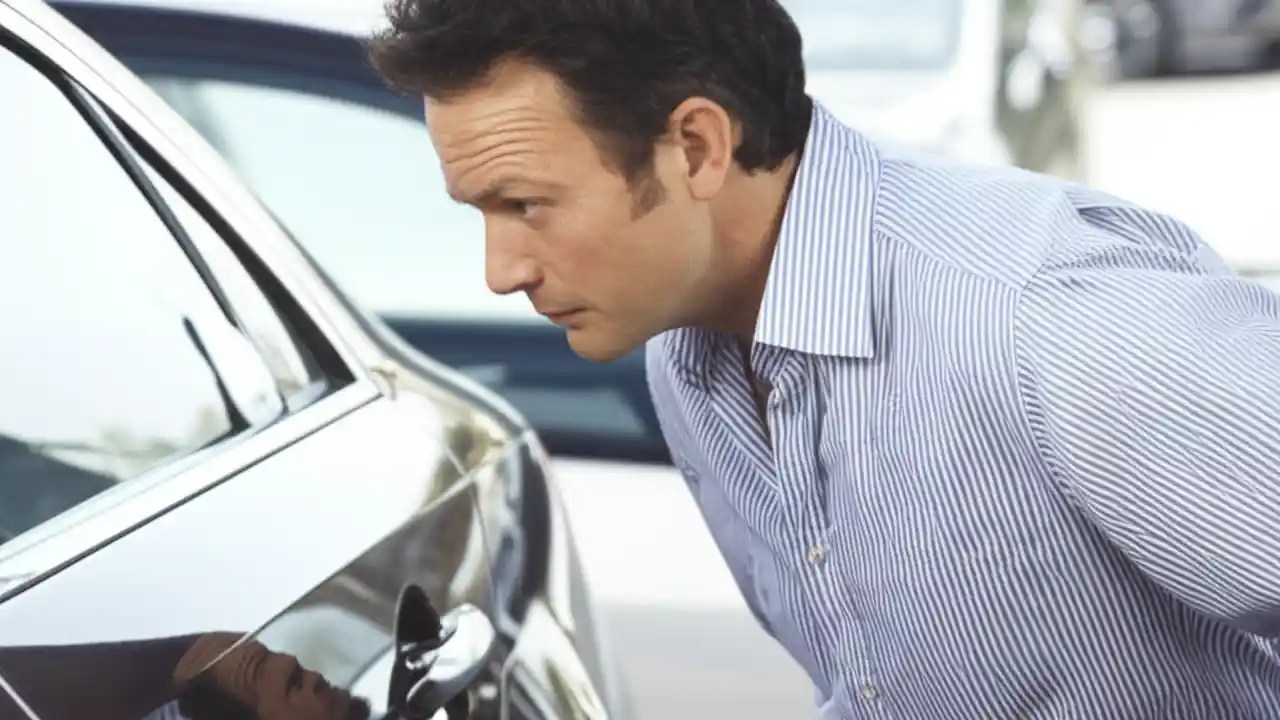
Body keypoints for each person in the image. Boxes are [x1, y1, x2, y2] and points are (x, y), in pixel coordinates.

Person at [366, 0, 1280, 717]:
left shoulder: (1040, 315)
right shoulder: (687, 363)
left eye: (525, 205)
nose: (500, 271)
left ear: (697, 147)